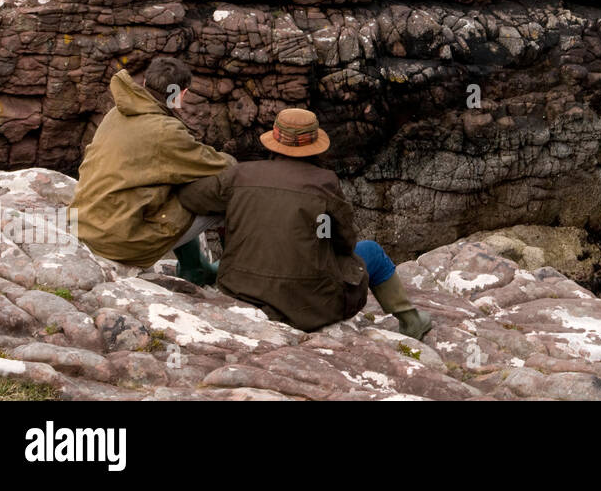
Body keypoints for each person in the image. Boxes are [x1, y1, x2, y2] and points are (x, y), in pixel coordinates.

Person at [177, 107, 432, 339]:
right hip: (308, 308)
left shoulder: (242, 174)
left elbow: (190, 198)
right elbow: (345, 242)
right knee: (372, 252)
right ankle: (411, 321)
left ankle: (197, 268)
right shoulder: (324, 183)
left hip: (240, 293)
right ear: (314, 145)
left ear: (274, 140)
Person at [69, 57, 232, 285]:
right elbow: (225, 168)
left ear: (145, 82)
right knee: (229, 193)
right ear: (181, 95)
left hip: (85, 226)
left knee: (177, 182)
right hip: (119, 241)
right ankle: (229, 273)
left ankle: (194, 267)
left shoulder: (115, 113)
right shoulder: (166, 131)